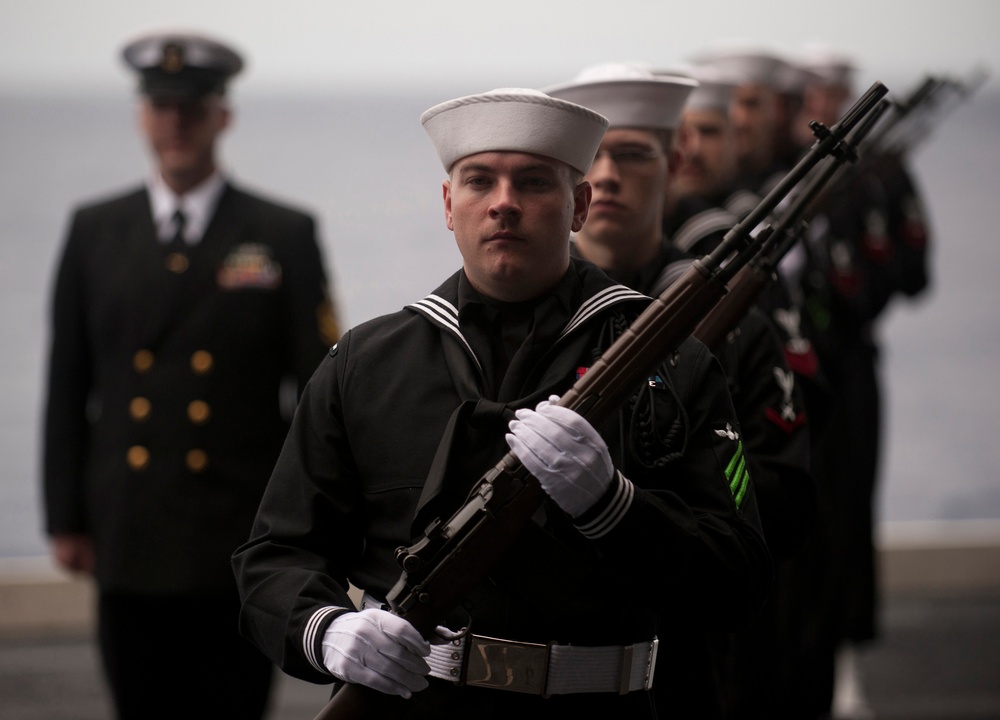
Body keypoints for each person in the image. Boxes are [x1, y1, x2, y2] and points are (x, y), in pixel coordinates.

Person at [232, 86, 773, 719]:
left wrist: (617, 509)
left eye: (535, 183)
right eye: (479, 182)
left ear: (579, 206)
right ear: (448, 204)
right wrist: (324, 629)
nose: (504, 205)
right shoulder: (366, 365)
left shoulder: (671, 363)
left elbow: (741, 580)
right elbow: (273, 556)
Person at [41, 29, 340, 720]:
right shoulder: (94, 230)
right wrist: (65, 517)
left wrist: (307, 522)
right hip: (129, 530)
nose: (177, 121)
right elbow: (68, 384)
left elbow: (318, 393)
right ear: (142, 116)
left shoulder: (283, 232)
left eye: (193, 106)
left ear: (222, 116)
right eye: (162, 105)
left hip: (236, 538)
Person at [546, 62, 816, 717]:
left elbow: (778, 499)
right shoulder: (530, 327)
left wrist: (646, 498)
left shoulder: (739, 329)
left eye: (633, 155)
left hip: (687, 651)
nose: (607, 176)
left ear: (678, 156)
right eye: (593, 159)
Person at [782, 44, 934, 719]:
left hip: (848, 368)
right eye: (810, 94)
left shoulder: (876, 173)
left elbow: (911, 271)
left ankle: (837, 656)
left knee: (846, 512)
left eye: (831, 93)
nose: (823, 105)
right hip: (788, 374)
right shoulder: (778, 178)